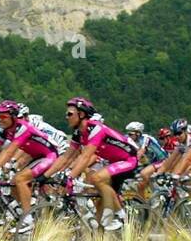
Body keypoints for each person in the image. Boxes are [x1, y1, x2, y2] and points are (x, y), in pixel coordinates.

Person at [45, 96, 139, 231]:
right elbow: (66, 157)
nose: (67, 116)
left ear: (81, 114)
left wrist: (70, 177)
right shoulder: (79, 133)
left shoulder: (95, 129)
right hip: (113, 162)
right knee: (98, 202)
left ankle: (119, 216)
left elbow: (86, 156)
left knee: (96, 178)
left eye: (70, 113)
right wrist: (45, 176)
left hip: (128, 160)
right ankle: (99, 236)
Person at [0, 100, 61, 235]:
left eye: (3, 117)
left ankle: (28, 220)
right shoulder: (5, 131)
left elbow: (8, 152)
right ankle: (29, 210)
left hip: (49, 155)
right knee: (13, 182)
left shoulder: (22, 127)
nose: (0, 120)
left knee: (20, 179)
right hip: (36, 156)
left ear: (14, 116)